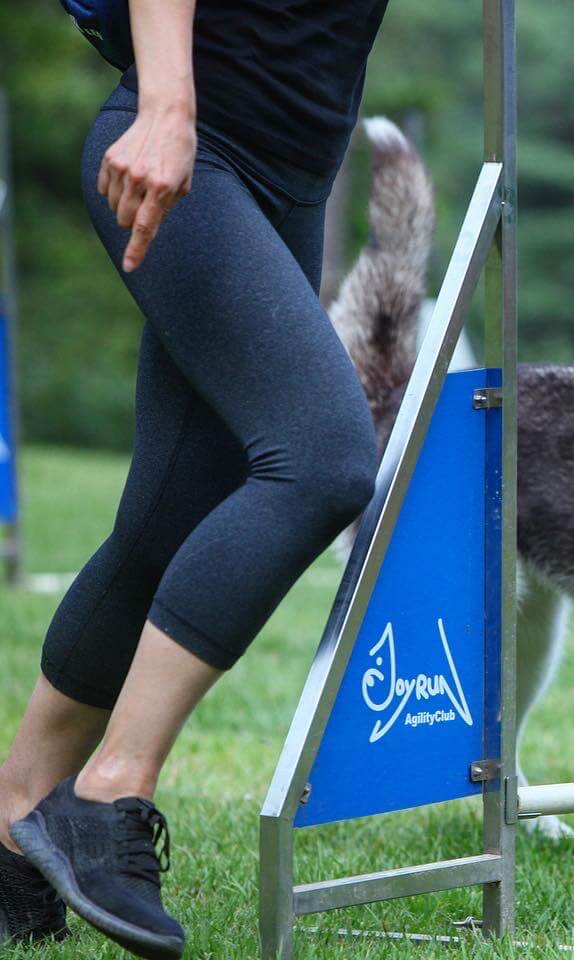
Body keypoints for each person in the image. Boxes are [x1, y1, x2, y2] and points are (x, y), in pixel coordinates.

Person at [0, 1, 392, 955]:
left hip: (288, 178)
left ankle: (9, 827)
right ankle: (110, 790)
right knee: (325, 460)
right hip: (189, 145)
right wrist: (167, 106)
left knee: (165, 521)